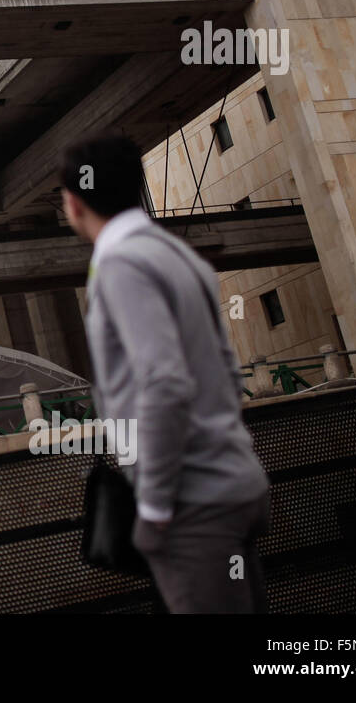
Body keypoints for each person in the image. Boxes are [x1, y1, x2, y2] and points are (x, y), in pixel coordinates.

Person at [60, 132, 271, 614]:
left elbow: (164, 382)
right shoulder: (180, 256)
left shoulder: (119, 265)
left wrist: (153, 509)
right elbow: (223, 368)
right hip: (235, 482)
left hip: (190, 500)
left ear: (73, 203)